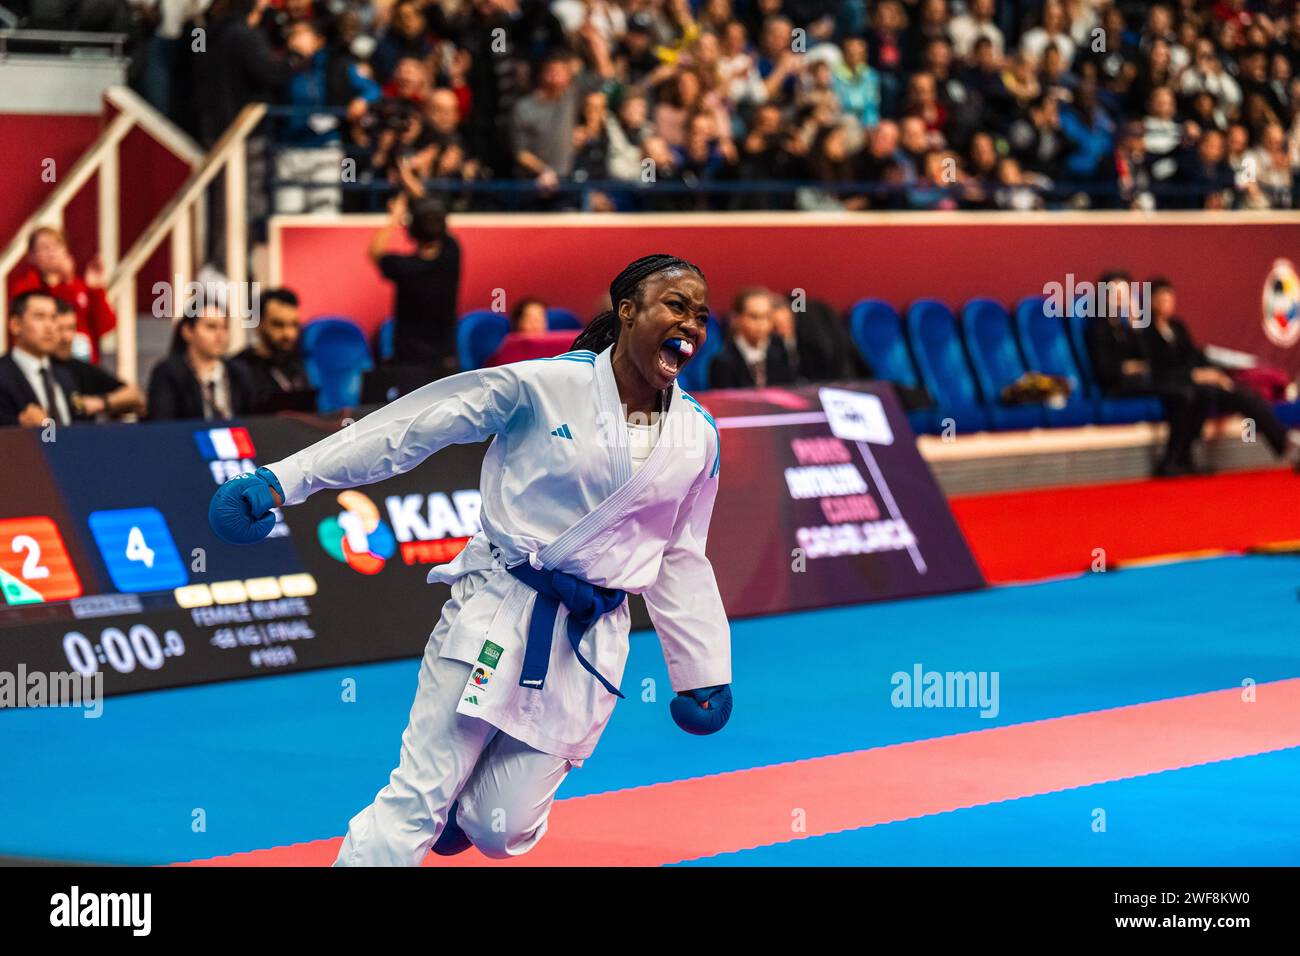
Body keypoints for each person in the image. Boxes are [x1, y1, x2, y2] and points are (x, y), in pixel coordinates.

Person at [208, 254, 733, 866]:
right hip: (499, 605)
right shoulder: (542, 386)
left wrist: (702, 668)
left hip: (589, 640)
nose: (691, 323)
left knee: (498, 828)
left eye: (700, 314)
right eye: (676, 305)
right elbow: (409, 428)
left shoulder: (696, 435)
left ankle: (467, 812)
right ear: (627, 311)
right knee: (417, 794)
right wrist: (282, 481)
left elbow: (680, 553)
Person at [1141, 277, 1299, 471]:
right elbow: (1156, 369)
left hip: (1201, 383)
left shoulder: (1178, 327)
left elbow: (1194, 356)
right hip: (1176, 385)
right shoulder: (1145, 332)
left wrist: (1215, 374)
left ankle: (1285, 442)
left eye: (1169, 298)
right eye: (1161, 299)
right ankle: (1178, 459)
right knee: (1197, 394)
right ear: (1151, 301)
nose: (1166, 303)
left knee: (1245, 395)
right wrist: (1193, 375)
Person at [370, 193, 462, 378]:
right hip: (445, 360)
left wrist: (394, 217)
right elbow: (442, 225)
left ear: (411, 231)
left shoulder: (402, 266)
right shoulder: (451, 256)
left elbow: (375, 252)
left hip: (408, 362)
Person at [7, 227, 117, 364]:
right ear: (31, 255)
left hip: (82, 363)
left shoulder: (78, 285)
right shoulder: (27, 286)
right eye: (44, 248)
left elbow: (106, 326)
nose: (52, 253)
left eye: (57, 246)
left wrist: (95, 289)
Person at [146, 308, 255, 421]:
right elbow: (162, 423)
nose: (220, 335)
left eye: (225, 327)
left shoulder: (239, 372)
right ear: (188, 331)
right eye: (211, 327)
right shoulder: (168, 373)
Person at [51, 299, 146, 421]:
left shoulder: (80, 368)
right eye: (59, 329)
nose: (66, 337)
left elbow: (135, 395)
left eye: (71, 328)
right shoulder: (34, 369)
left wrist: (101, 402)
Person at [0, 291, 77, 428]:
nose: (50, 327)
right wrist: (20, 424)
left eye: (54, 318)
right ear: (15, 325)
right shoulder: (3, 375)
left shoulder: (67, 371)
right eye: (39, 317)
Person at [231, 288, 315, 413]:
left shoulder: (296, 364)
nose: (288, 334)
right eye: (278, 324)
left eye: (294, 325)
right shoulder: (239, 368)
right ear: (258, 323)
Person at [709, 287, 795, 389]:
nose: (761, 324)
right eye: (754, 317)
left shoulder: (779, 350)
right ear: (737, 318)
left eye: (766, 316)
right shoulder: (723, 362)